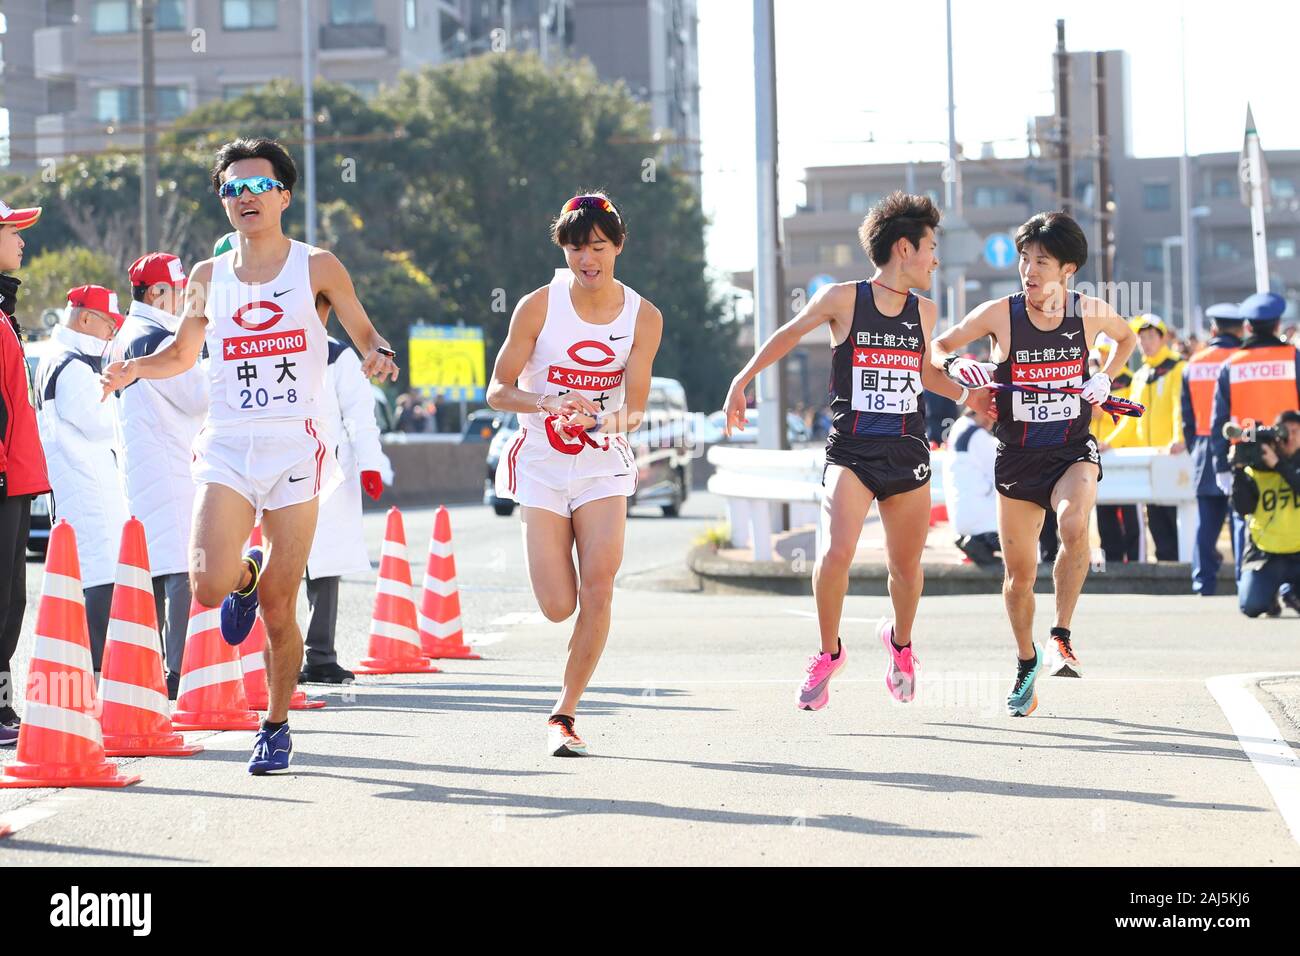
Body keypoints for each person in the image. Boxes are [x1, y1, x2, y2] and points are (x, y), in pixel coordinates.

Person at [100, 138, 398, 775]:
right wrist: (132, 369)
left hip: (296, 443)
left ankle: (275, 722)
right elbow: (184, 355)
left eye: (258, 186)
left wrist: (378, 354)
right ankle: (243, 576)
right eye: (232, 189)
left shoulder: (317, 267)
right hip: (230, 444)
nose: (245, 199)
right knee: (207, 584)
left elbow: (364, 332)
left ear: (283, 195)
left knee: (280, 606)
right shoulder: (207, 279)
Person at [723, 192, 980, 712]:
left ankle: (901, 646)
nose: (936, 259)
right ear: (904, 248)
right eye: (931, 247)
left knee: (904, 570)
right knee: (835, 552)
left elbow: (925, 372)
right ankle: (828, 652)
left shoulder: (925, 311)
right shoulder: (844, 299)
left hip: (907, 450)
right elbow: (790, 335)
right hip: (852, 451)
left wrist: (968, 392)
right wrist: (742, 380)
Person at [932, 211, 1136, 714]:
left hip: (1071, 448)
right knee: (1018, 578)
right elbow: (938, 347)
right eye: (1025, 259)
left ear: (1068, 268)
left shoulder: (1089, 312)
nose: (1030, 269)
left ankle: (1061, 633)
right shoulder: (999, 314)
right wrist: (959, 364)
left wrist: (1105, 376)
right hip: (1018, 455)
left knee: (1073, 525)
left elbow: (1126, 337)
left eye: (1042, 261)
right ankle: (1027, 661)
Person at [486, 192, 662, 757]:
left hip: (601, 465)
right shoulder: (538, 306)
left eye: (598, 247)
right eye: (576, 248)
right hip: (541, 464)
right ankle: (563, 698)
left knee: (600, 587)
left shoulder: (643, 316)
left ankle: (564, 712)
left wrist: (604, 420)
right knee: (558, 605)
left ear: (617, 246)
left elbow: (635, 408)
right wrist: (547, 403)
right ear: (563, 249)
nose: (588, 259)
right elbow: (497, 390)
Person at [113, 253, 208, 698]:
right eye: (177, 289)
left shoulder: (127, 334)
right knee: (179, 571)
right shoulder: (153, 336)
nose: (184, 297)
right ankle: (178, 672)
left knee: (153, 571)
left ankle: (148, 673)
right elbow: (197, 397)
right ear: (156, 293)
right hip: (169, 465)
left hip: (148, 464)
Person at [35, 285, 128, 674]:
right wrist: (116, 387)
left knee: (90, 573)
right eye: (109, 324)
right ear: (86, 318)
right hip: (86, 488)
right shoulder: (71, 365)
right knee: (99, 574)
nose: (112, 334)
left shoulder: (60, 358)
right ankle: (98, 672)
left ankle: (93, 671)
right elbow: (99, 422)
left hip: (82, 485)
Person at [301, 336, 393, 684]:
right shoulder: (263, 340)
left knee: (324, 563)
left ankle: (319, 655)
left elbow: (358, 411)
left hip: (327, 469)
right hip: (274, 462)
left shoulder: (334, 352)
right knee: (273, 565)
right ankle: (271, 655)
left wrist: (370, 463)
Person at [0, 200, 49, 746]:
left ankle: (3, 709)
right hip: (1, 477)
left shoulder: (3, 311)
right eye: (14, 231)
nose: (22, 242)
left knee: (11, 599)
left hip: (14, 479)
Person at [1211, 291, 1300, 589]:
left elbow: (1219, 421)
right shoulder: (1293, 358)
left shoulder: (1231, 364)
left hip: (1246, 457)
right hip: (1289, 451)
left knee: (1246, 519)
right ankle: (1290, 584)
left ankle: (1247, 581)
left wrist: (1220, 465)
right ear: (1277, 325)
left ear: (1248, 326)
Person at [1105, 314, 1186, 561]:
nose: (1146, 342)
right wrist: (1110, 442)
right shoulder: (1141, 375)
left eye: (1151, 337)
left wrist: (1178, 438)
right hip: (1149, 457)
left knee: (1175, 516)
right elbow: (1131, 418)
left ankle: (1182, 567)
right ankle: (1165, 563)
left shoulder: (1177, 367)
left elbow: (1178, 407)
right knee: (1156, 518)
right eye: (1142, 338)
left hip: (1172, 455)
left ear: (1163, 339)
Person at [1179, 303, 1246, 593]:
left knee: (1207, 521)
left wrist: (1197, 447)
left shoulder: (1193, 364)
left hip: (1204, 446)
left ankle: (1203, 582)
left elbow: (1186, 417)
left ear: (1214, 329)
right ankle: (1245, 580)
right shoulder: (1242, 360)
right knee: (1241, 518)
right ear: (1242, 329)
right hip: (1241, 443)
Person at [1229, 410, 1300, 616]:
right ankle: (1270, 596)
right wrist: (1238, 470)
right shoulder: (1257, 467)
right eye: (1285, 433)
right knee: (1251, 607)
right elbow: (1243, 509)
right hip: (1267, 555)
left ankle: (1291, 592)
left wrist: (1278, 465)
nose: (1290, 438)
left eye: (1296, 432)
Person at [1091, 339, 1140, 563]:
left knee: (1130, 513)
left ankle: (1136, 561)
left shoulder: (1131, 380)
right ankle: (1111, 560)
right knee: (1104, 511)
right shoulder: (1094, 381)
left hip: (1124, 454)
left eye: (1107, 353)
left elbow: (1132, 418)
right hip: (1099, 455)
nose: (1103, 357)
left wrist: (1109, 435)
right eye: (1101, 352)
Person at [942, 404, 1001, 567]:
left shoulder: (960, 428)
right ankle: (978, 541)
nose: (994, 421)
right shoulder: (975, 435)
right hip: (980, 515)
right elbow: (1000, 466)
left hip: (965, 514)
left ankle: (975, 541)